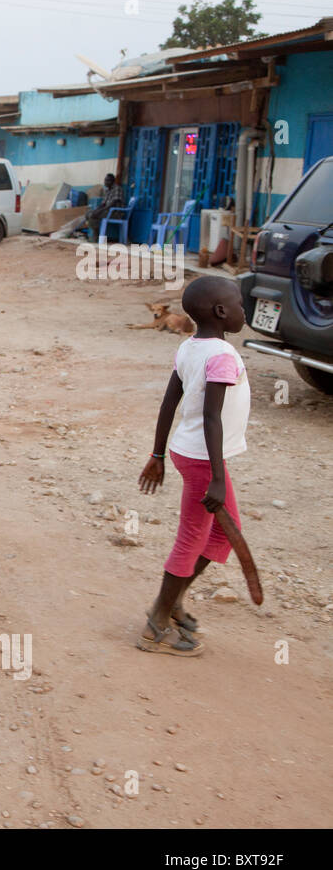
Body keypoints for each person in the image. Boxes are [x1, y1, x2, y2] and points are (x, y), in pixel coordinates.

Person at [136, 276, 250, 657]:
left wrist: (158, 455)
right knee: (192, 537)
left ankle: (173, 602)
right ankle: (157, 625)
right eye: (239, 304)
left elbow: (169, 402)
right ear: (221, 312)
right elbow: (210, 417)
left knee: (222, 536)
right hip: (204, 462)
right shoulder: (222, 355)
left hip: (192, 454)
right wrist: (217, 478)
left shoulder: (190, 347)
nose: (243, 310)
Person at [82, 173, 123, 241]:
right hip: (107, 211)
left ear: (112, 181)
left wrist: (99, 211)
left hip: (115, 213)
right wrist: (96, 210)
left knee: (94, 215)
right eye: (105, 180)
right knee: (88, 214)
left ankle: (96, 236)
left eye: (108, 181)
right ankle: (96, 233)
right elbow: (103, 204)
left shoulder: (117, 189)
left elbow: (113, 203)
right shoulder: (107, 190)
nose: (106, 182)